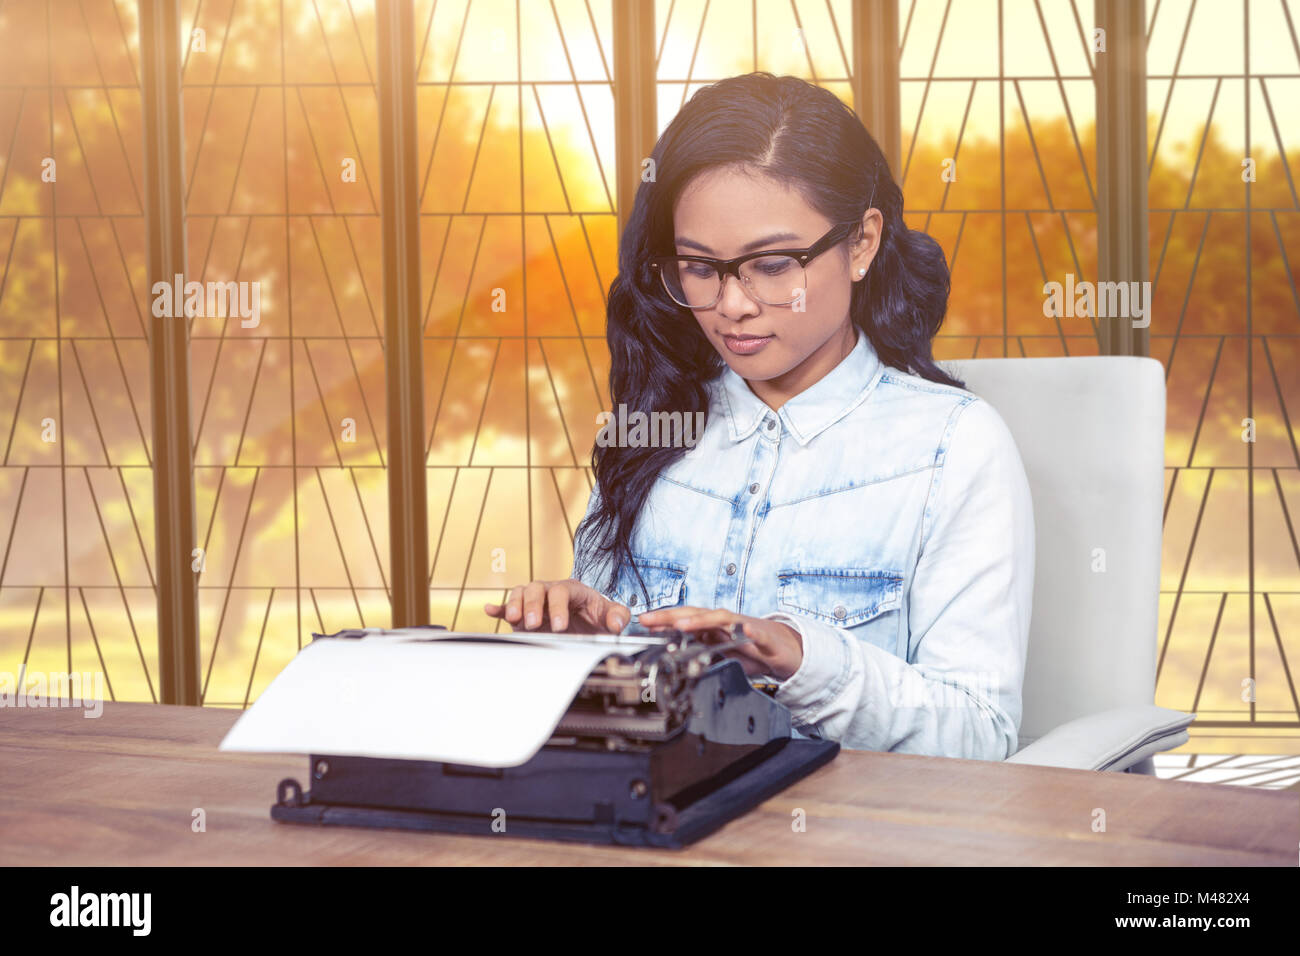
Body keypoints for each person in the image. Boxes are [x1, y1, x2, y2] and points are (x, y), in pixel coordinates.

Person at [485, 72, 1034, 761]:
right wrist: (579, 654)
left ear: (862, 243)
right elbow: (618, 720)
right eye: (699, 267)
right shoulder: (653, 428)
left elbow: (979, 735)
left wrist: (802, 660)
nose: (732, 305)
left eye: (773, 265)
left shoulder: (953, 445)